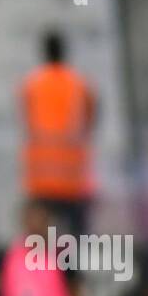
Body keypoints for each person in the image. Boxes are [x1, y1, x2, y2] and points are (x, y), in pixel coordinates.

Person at [20, 31, 96, 236]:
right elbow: (90, 117)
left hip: (42, 177)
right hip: (73, 177)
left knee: (41, 238)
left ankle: (45, 269)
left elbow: (26, 121)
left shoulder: (33, 83)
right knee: (74, 238)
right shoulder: (78, 82)